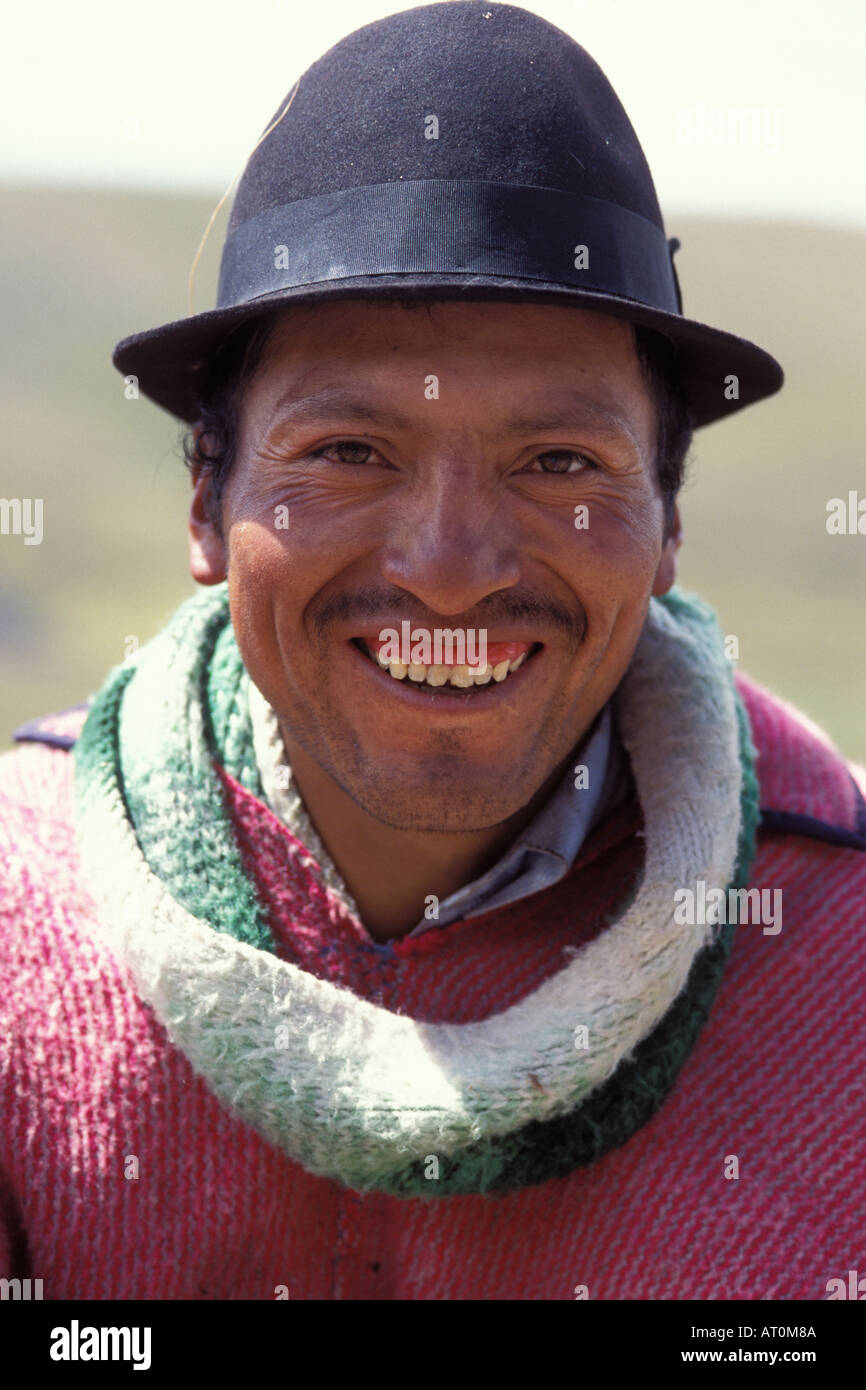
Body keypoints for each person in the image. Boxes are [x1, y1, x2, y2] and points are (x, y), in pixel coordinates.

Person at [2, 0, 864, 1302]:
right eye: (348, 453)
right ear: (204, 503)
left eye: (557, 462)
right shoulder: (18, 925)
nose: (449, 567)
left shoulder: (840, 950)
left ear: (666, 523)